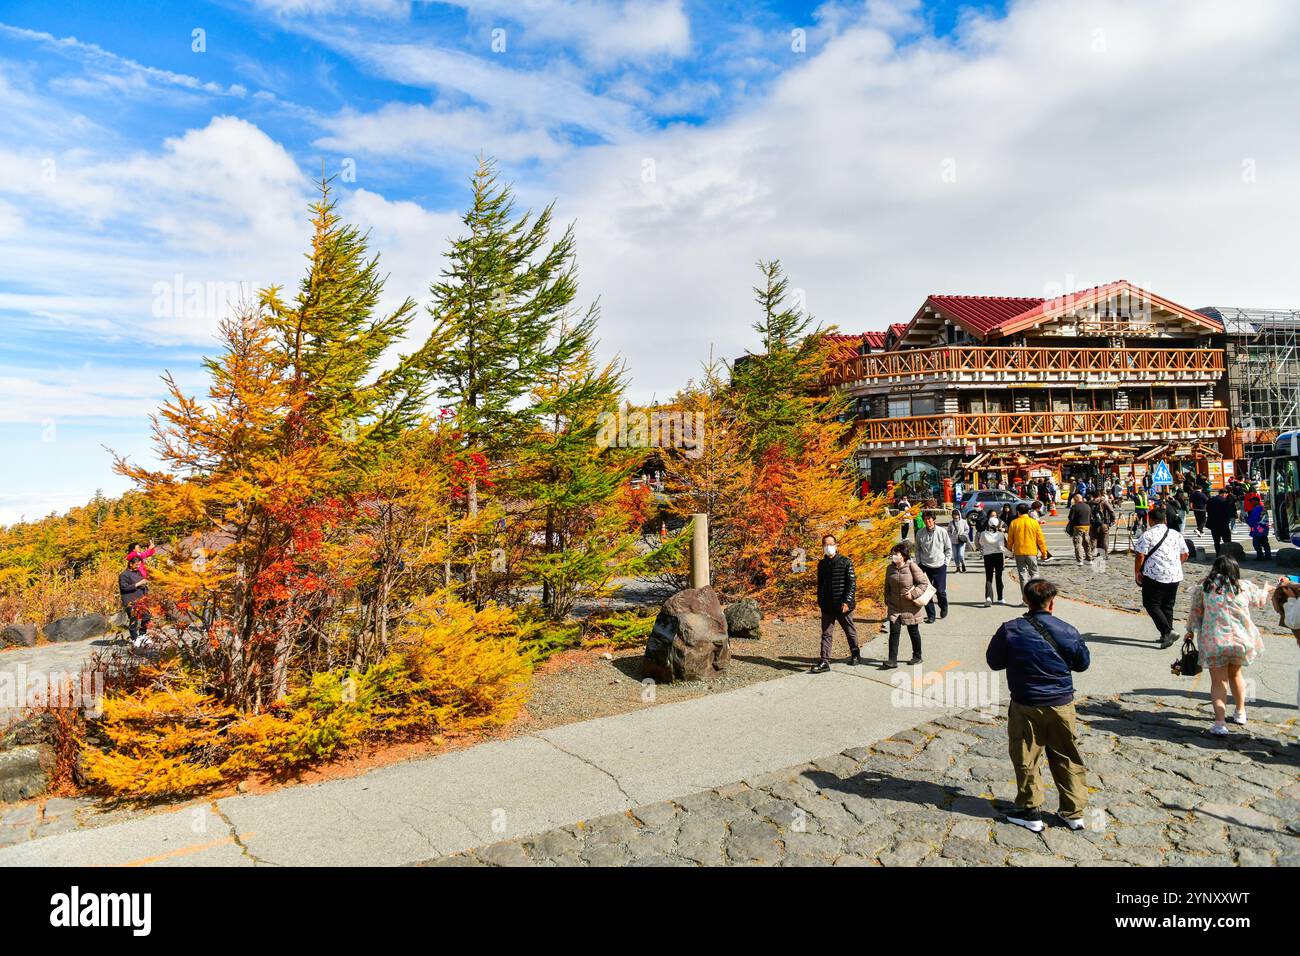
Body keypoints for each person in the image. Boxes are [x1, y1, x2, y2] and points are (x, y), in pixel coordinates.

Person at [986, 579, 1091, 833]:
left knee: (1026, 756)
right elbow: (1082, 663)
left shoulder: (1010, 629)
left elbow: (994, 661)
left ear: (1025, 599)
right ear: (1052, 602)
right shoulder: (1067, 630)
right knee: (1067, 756)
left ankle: (1031, 809)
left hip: (1026, 702)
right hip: (1061, 703)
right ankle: (1073, 812)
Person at [1183, 558, 1275, 735]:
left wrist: (1190, 631)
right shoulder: (1243, 586)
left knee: (1219, 681)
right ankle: (1240, 712)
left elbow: (1195, 612)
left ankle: (1220, 723)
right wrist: (1266, 589)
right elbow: (1260, 601)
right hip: (1240, 640)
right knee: (1236, 675)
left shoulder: (1205, 587)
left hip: (1214, 640)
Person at [1133, 505, 1190, 648]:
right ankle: (1166, 635)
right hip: (1175, 575)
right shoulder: (1176, 534)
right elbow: (1185, 554)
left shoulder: (1147, 535)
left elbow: (1140, 554)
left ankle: (1167, 631)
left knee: (1151, 604)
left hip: (1154, 574)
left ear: (1150, 520)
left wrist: (1138, 572)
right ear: (1164, 520)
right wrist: (1176, 565)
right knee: (1168, 605)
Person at [811, 534, 858, 673]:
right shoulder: (822, 564)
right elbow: (820, 584)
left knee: (849, 630)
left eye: (831, 544)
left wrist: (847, 601)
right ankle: (824, 661)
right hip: (827, 605)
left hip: (842, 604)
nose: (828, 547)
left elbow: (852, 583)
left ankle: (855, 653)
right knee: (826, 633)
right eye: (825, 544)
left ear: (836, 546)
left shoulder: (845, 562)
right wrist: (820, 600)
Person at [882, 541, 927, 669]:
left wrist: (913, 594)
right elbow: (887, 586)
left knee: (913, 631)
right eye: (893, 554)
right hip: (894, 606)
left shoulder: (912, 566)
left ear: (904, 556)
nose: (894, 556)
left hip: (910, 606)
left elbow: (923, 583)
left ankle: (917, 656)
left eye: (896, 554)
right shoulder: (889, 568)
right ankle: (892, 660)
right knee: (894, 632)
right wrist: (887, 599)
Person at [914, 511, 952, 623]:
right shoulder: (920, 533)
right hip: (925, 566)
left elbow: (948, 548)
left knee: (940, 591)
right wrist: (919, 562)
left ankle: (943, 606)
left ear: (934, 520)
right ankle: (931, 615)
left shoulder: (942, 532)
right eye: (925, 519)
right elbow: (917, 549)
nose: (928, 521)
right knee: (926, 592)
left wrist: (946, 563)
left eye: (930, 519)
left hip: (940, 565)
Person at [1007, 503, 1048, 603]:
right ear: (1028, 511)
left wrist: (1009, 551)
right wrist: (1044, 552)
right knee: (1034, 573)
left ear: (1018, 512)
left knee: (1022, 575)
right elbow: (1040, 539)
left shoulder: (1014, 523)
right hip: (1031, 551)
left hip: (1019, 551)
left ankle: (1026, 599)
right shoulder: (1034, 522)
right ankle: (1035, 596)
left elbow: (1010, 539)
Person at [976, 513, 1010, 606]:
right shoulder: (1000, 534)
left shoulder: (983, 534)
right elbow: (1002, 548)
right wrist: (1010, 554)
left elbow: (981, 543)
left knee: (989, 577)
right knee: (999, 577)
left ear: (988, 524)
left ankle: (988, 597)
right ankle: (1000, 598)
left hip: (988, 556)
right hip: (998, 556)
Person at [118, 555, 151, 647]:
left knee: (146, 617)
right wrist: (139, 584)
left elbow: (142, 584)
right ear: (130, 564)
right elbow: (124, 588)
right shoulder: (124, 575)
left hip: (141, 599)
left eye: (139, 565)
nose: (138, 566)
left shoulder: (138, 573)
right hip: (130, 600)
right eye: (136, 564)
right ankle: (134, 638)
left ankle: (142, 635)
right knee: (134, 620)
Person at [1206, 488, 1237, 556]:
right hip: (1223, 523)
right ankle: (1227, 554)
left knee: (1216, 541)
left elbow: (1207, 509)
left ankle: (1218, 553)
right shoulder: (1225, 501)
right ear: (1224, 494)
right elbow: (1229, 512)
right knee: (1227, 540)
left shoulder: (1211, 500)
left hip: (1213, 523)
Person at [1065, 493, 1093, 565]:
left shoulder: (1075, 507)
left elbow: (1070, 518)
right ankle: (1089, 558)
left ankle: (1080, 560)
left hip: (1078, 527)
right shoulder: (1087, 506)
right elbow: (1090, 517)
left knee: (1078, 544)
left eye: (1074, 499)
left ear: (1076, 499)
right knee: (1087, 543)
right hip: (1087, 527)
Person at [1245, 493, 1271, 560]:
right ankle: (1268, 555)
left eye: (1252, 501)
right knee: (1265, 542)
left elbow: (1253, 520)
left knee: (1256, 543)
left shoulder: (1256, 509)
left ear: (1256, 501)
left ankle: (1260, 556)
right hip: (1264, 527)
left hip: (1258, 528)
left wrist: (1247, 521)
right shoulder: (1263, 508)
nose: (1251, 502)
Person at [1090, 493, 1115, 557]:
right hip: (1104, 523)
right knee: (1105, 539)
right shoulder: (1104, 502)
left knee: (1094, 539)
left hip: (1094, 524)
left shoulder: (1090, 503)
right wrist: (1113, 520)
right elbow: (1111, 511)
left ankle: (1093, 553)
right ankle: (1104, 554)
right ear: (1100, 496)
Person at [949, 508, 970, 573]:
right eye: (954, 515)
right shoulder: (951, 522)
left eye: (956, 515)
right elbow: (948, 531)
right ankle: (957, 568)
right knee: (955, 556)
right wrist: (950, 535)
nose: (955, 516)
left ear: (959, 515)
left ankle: (963, 564)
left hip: (961, 541)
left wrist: (963, 535)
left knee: (960, 555)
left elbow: (967, 529)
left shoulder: (963, 521)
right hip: (953, 541)